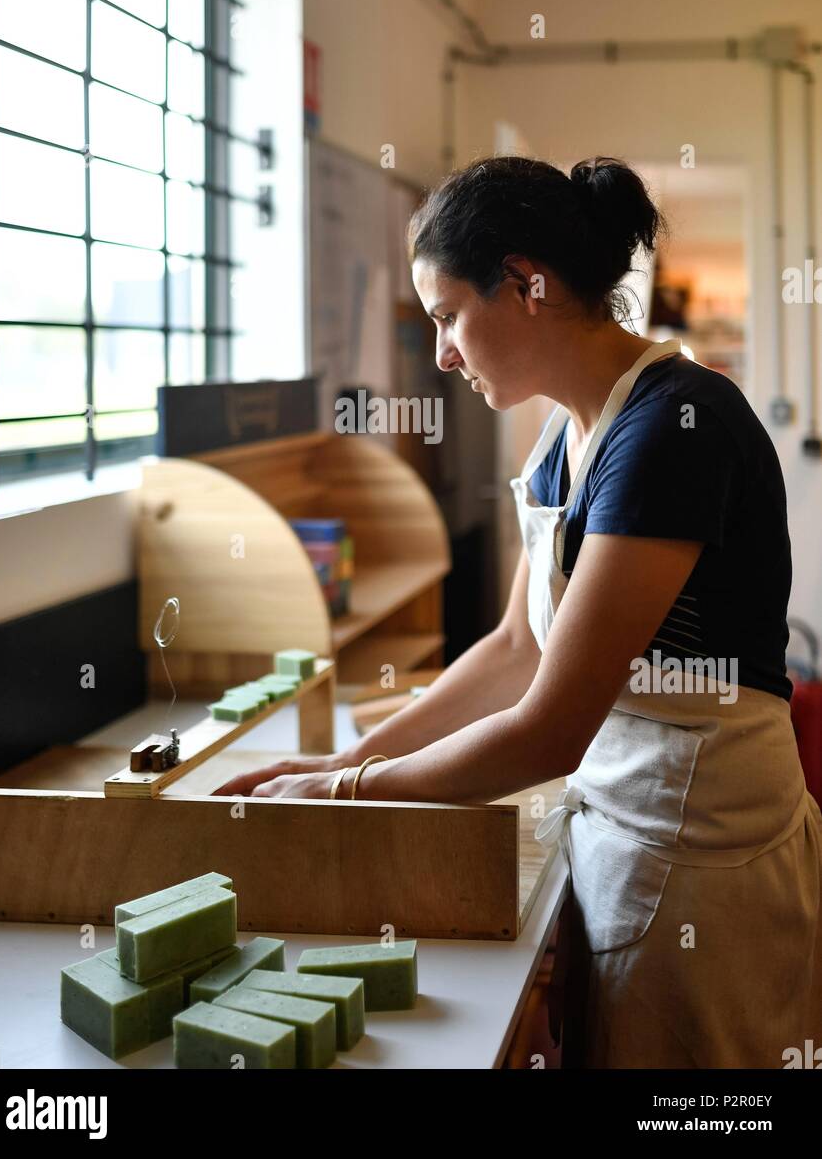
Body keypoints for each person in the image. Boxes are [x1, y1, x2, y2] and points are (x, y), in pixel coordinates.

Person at [214, 154, 822, 1069]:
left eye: (449, 316)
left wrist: (346, 795)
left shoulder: (674, 428)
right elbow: (511, 651)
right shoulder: (565, 433)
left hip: (705, 864)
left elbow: (550, 727)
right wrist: (348, 757)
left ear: (528, 284)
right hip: (617, 833)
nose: (442, 353)